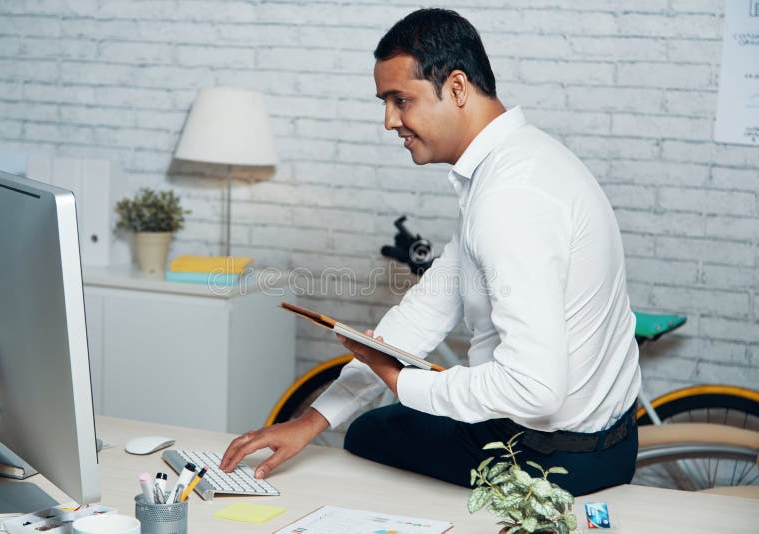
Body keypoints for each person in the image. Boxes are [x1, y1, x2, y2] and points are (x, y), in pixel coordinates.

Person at [221, 8, 640, 496]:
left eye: (401, 100)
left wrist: (399, 381)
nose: (389, 121)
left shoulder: (509, 198)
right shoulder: (524, 162)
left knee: (371, 434)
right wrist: (312, 420)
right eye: (385, 103)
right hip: (607, 443)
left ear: (457, 87)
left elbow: (536, 390)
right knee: (378, 425)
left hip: (549, 460)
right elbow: (426, 310)